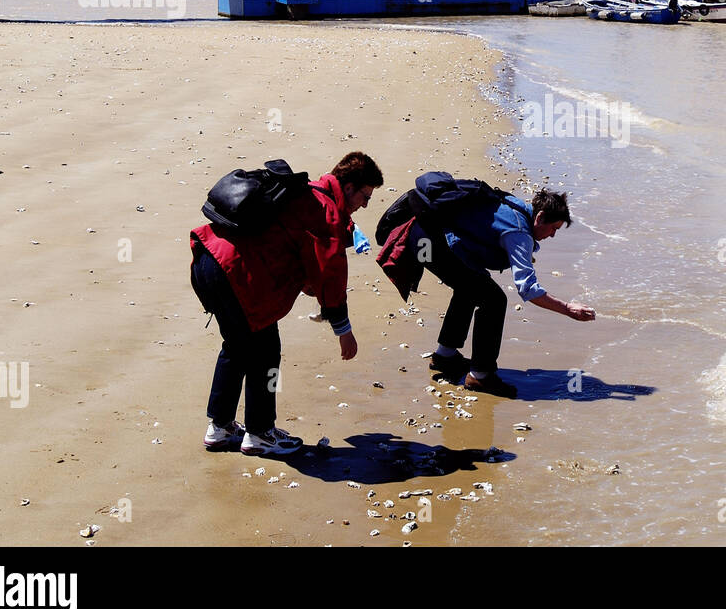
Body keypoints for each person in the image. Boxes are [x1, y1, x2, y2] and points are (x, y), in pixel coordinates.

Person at [190, 151, 383, 455]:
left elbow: (289, 248)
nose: (365, 204)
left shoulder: (304, 193)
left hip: (206, 261)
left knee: (237, 347)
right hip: (236, 276)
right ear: (348, 188)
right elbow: (330, 275)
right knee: (265, 352)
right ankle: (260, 432)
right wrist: (343, 329)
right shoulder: (325, 211)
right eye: (365, 196)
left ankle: (220, 427)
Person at [421, 188, 595, 398]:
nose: (552, 235)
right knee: (493, 300)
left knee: (473, 287)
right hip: (428, 243)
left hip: (428, 235)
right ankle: (480, 376)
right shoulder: (519, 232)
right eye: (553, 228)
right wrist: (567, 309)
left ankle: (445, 356)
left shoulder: (517, 207)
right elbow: (528, 289)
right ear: (540, 217)